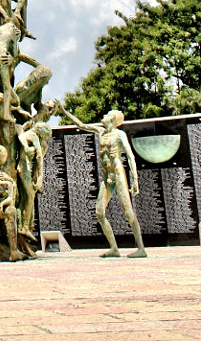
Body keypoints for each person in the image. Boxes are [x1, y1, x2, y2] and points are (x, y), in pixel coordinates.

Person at [59, 106, 147, 258]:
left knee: (128, 211)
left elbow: (130, 156)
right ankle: (114, 248)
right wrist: (63, 111)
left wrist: (135, 180)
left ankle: (141, 249)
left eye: (107, 114)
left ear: (112, 119)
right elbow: (81, 125)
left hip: (117, 172)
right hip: (107, 176)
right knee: (99, 212)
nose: (104, 116)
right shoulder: (101, 132)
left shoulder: (120, 134)